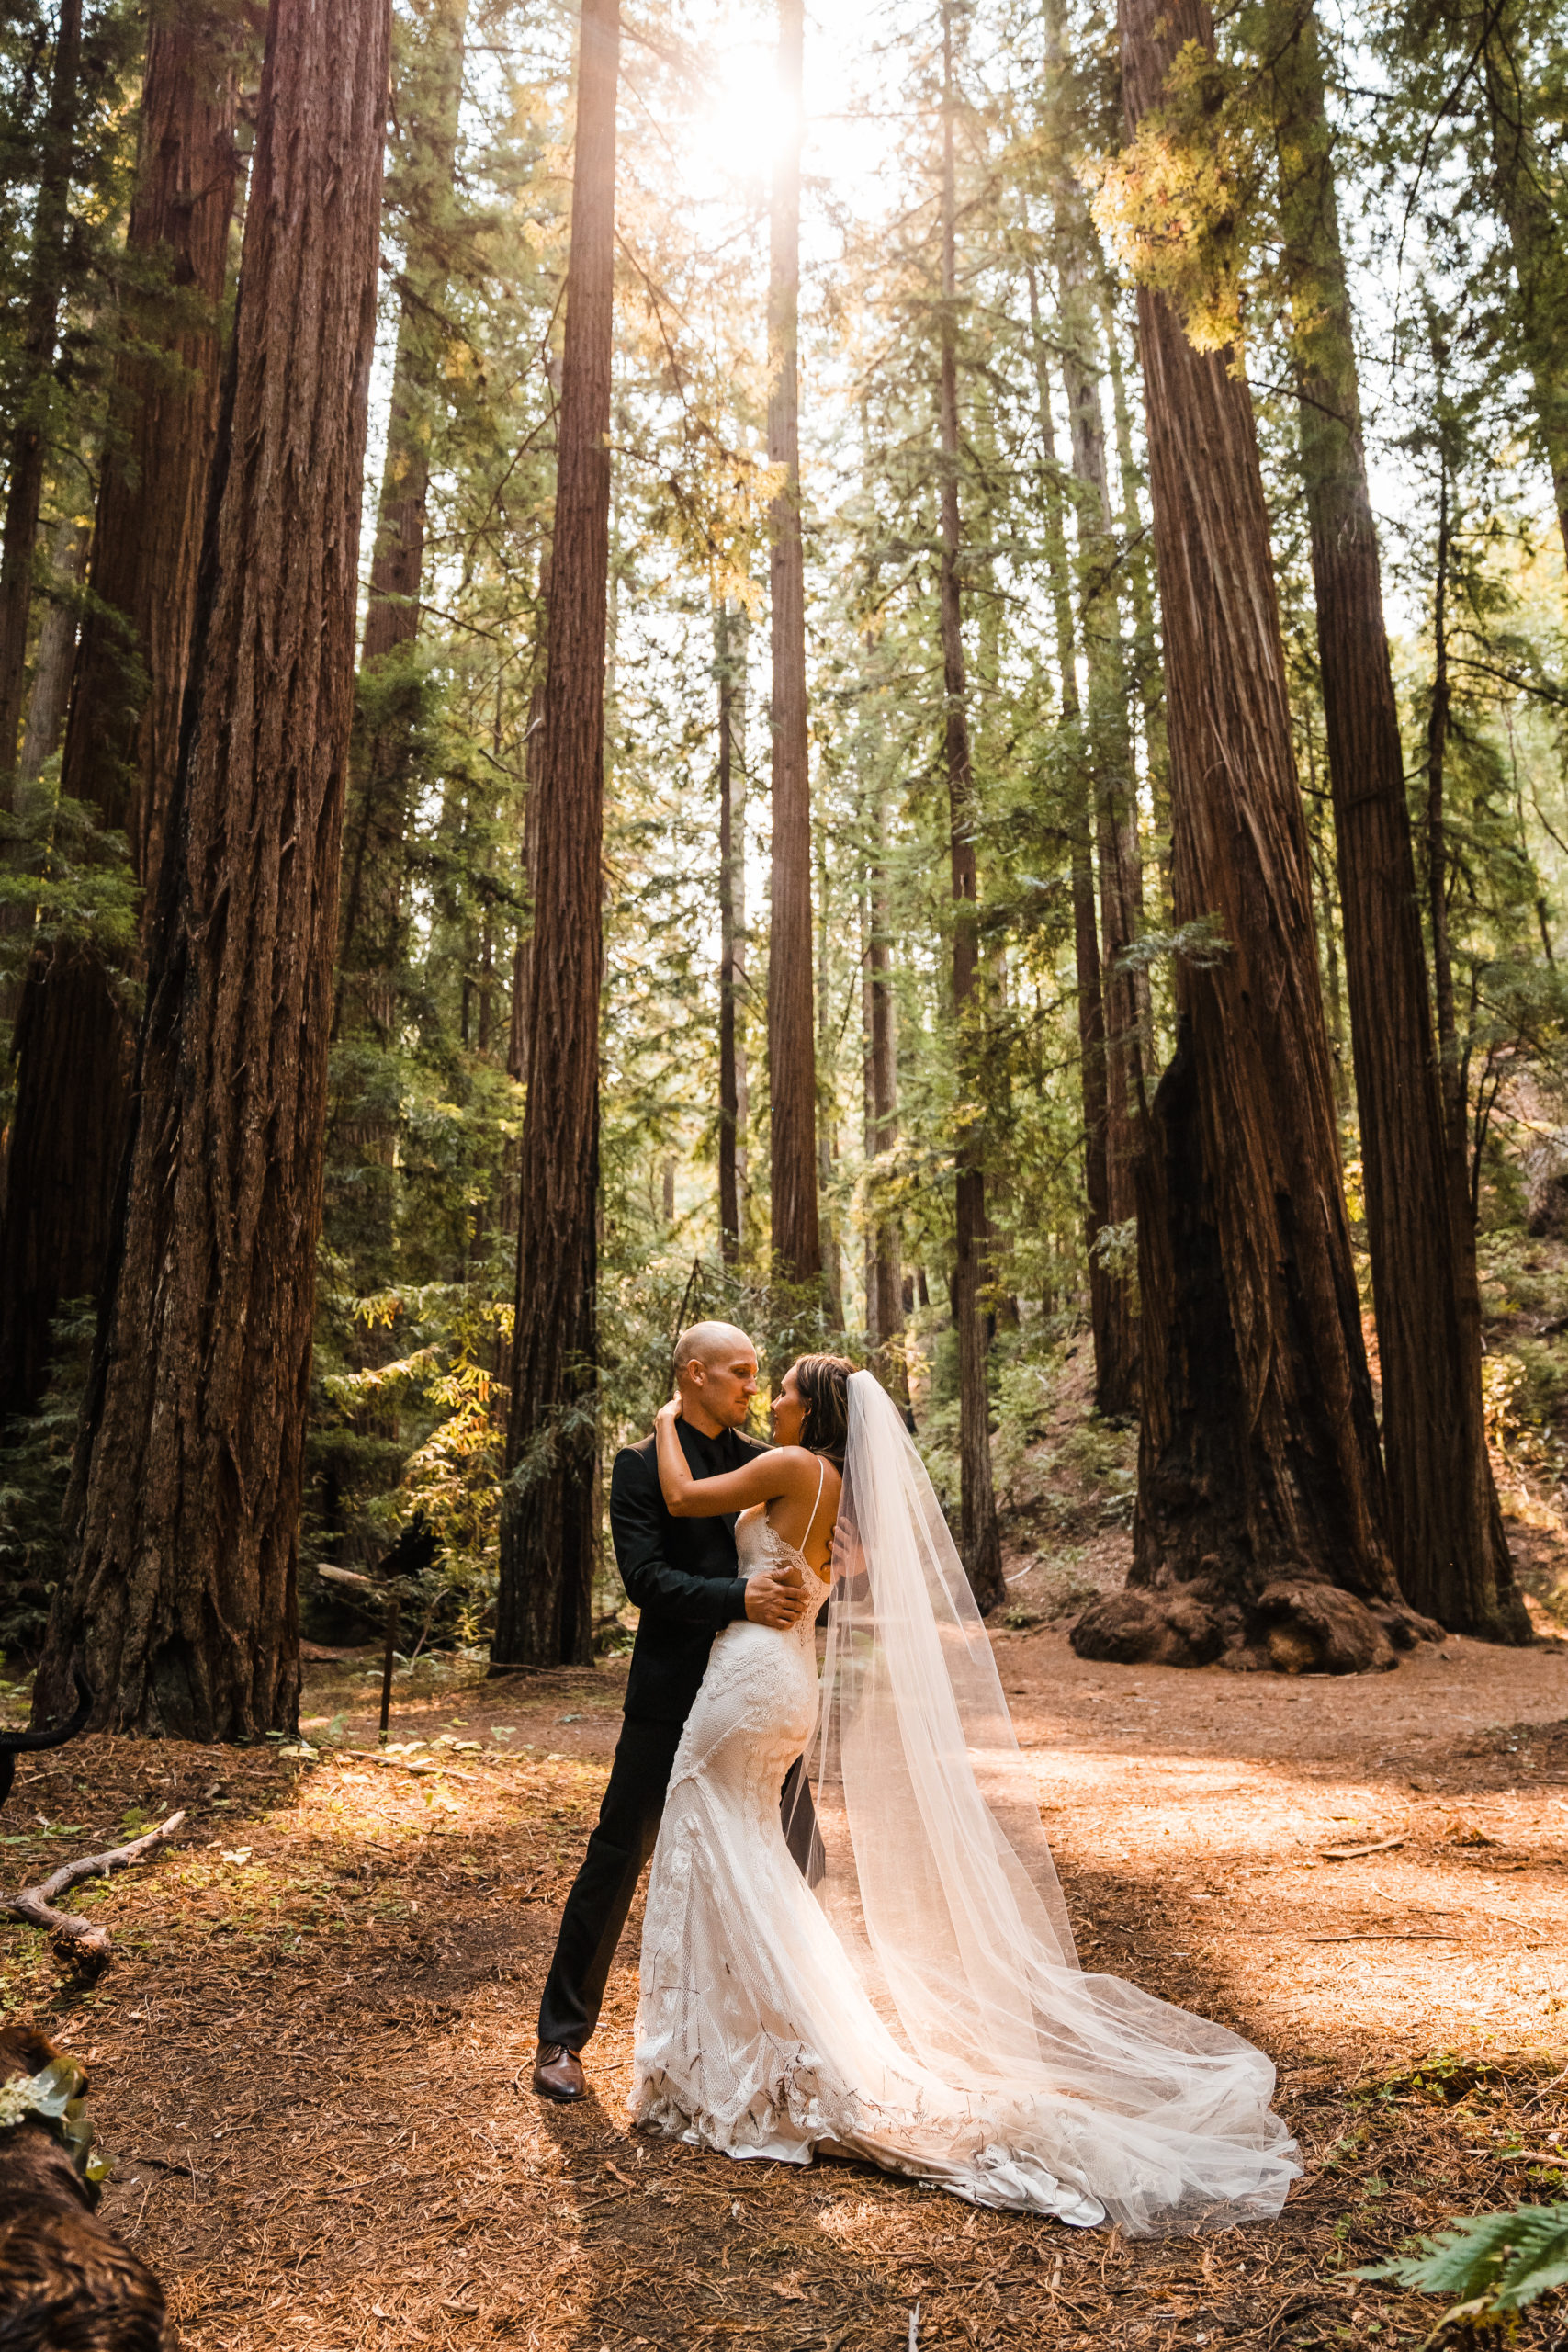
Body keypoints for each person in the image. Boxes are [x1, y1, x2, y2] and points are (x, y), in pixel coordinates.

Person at [630, 1359, 1303, 2237]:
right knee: (748, 1853)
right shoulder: (844, 1499)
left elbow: (680, 1496)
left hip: (750, 1679)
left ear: (818, 1410)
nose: (774, 1401)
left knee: (707, 1832)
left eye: (786, 1389)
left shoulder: (796, 1470)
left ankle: (720, 2052)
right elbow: (838, 1562)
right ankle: (755, 2039)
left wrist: (663, 1417)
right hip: (786, 1685)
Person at [530, 1321, 812, 2103]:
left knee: (797, 1848)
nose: (752, 1387)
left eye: (758, 1376)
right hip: (673, 1686)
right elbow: (646, 1580)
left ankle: (790, 2030)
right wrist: (739, 1596)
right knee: (618, 1853)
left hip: (752, 1698)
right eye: (739, 1373)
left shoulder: (765, 1460)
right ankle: (560, 2040)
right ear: (694, 1375)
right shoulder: (636, 1466)